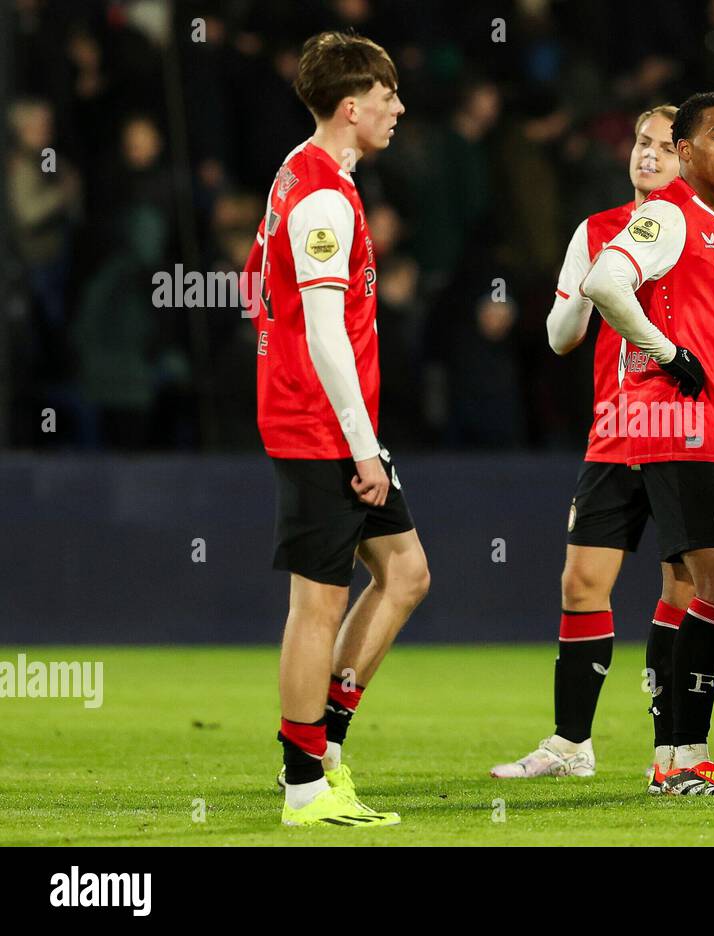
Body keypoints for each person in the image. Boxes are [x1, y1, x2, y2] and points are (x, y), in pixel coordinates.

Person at [492, 102, 714, 789]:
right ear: (683, 149)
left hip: (705, 431)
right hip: (654, 429)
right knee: (661, 584)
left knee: (698, 589)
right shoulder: (651, 222)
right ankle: (638, 751)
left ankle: (672, 757)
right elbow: (581, 311)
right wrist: (668, 351)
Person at [247, 31, 427, 827]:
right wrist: (364, 449)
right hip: (319, 426)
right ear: (351, 108)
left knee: (407, 573)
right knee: (316, 606)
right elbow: (323, 331)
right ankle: (304, 788)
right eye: (386, 96)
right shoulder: (322, 194)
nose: (397, 107)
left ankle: (327, 744)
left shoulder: (310, 171)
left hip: (333, 423)